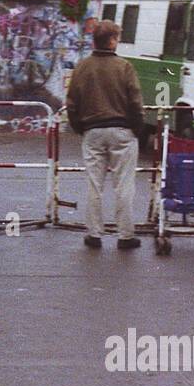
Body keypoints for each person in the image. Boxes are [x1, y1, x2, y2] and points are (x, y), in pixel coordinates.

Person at [65, 19, 144, 250]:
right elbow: (135, 102)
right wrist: (135, 128)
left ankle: (94, 234)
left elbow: (71, 104)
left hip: (92, 131)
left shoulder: (82, 67)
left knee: (94, 184)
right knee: (124, 185)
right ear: (111, 41)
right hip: (121, 130)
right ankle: (125, 235)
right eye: (117, 38)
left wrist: (80, 127)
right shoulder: (124, 67)